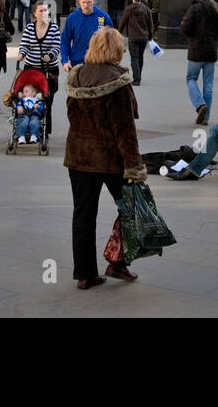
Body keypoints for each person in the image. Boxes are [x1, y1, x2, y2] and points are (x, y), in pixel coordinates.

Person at [63, 27, 145, 289]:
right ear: (117, 50)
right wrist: (134, 165)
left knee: (83, 215)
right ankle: (117, 261)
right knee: (131, 209)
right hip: (111, 160)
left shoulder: (77, 77)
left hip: (78, 156)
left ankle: (85, 274)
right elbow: (125, 130)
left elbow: (72, 118)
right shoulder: (118, 81)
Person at [180, 0, 218, 126]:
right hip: (211, 50)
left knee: (191, 78)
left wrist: (191, 37)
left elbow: (185, 27)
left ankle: (199, 104)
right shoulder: (216, 9)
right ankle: (205, 117)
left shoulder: (194, 8)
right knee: (208, 84)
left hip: (196, 49)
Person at [19, 0, 61, 134]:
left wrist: (50, 55)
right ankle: (29, 127)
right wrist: (22, 53)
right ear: (34, 14)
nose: (43, 13)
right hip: (31, 69)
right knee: (29, 99)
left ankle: (45, 130)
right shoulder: (30, 28)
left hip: (50, 69)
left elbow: (56, 46)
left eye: (45, 10)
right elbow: (24, 44)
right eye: (40, 11)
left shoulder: (53, 28)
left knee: (47, 100)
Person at [60, 0, 113, 73]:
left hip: (98, 63)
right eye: (83, 2)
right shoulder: (72, 18)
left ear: (94, 1)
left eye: (89, 2)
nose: (86, 5)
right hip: (77, 63)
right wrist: (65, 61)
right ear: (79, 2)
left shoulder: (104, 17)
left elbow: (111, 40)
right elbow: (65, 41)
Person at [118, 0, 154, 86]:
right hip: (143, 37)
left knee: (134, 57)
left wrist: (118, 32)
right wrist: (150, 35)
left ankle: (136, 79)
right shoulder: (146, 9)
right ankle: (139, 76)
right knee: (140, 57)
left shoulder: (129, 9)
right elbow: (150, 23)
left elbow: (123, 22)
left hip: (133, 37)